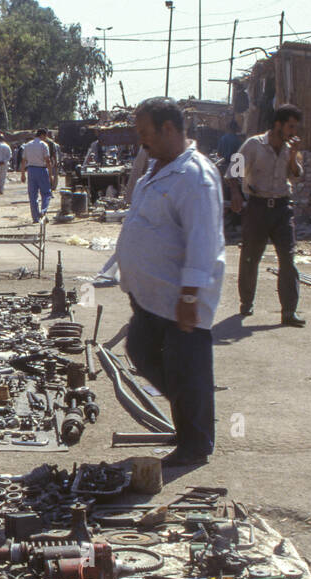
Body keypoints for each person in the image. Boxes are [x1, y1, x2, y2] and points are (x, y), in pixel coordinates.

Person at [118, 97, 226, 469]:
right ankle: (190, 410)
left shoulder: (195, 176)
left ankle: (195, 442)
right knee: (141, 349)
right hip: (153, 295)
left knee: (187, 367)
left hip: (181, 296)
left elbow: (204, 240)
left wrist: (191, 293)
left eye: (145, 132)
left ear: (168, 129)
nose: (140, 140)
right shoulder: (158, 166)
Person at [227, 103, 305, 326]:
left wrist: (292, 156)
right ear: (278, 124)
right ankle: (246, 301)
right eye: (290, 127)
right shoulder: (254, 145)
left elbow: (297, 175)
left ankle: (289, 311)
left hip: (282, 208)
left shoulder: (291, 148)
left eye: (295, 128)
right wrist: (235, 194)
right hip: (257, 208)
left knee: (288, 259)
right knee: (251, 257)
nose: (293, 132)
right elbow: (233, 172)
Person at [21, 128, 56, 223]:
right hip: (41, 170)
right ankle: (43, 211)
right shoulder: (44, 145)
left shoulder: (27, 145)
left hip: (31, 170)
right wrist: (50, 174)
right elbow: (48, 160)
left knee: (33, 195)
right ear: (43, 135)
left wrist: (23, 174)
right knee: (46, 193)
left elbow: (23, 160)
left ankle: (35, 218)